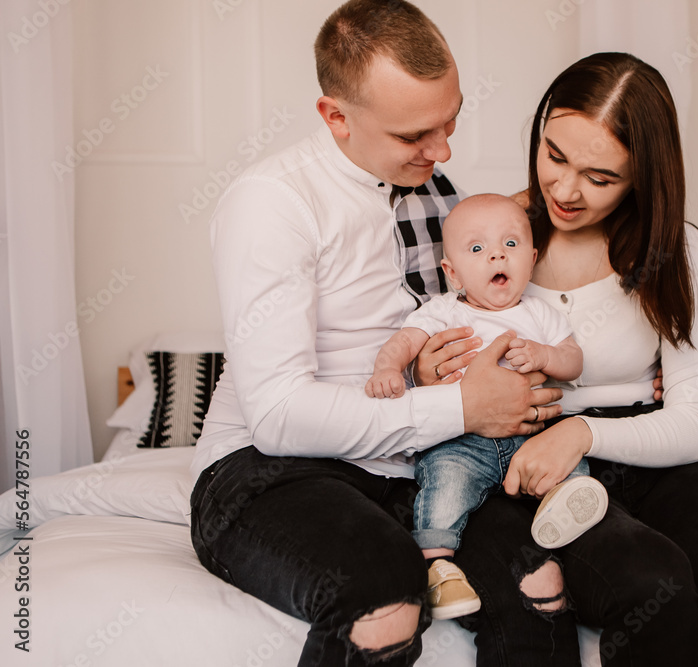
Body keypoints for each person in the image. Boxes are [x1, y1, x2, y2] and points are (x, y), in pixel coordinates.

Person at [187, 2, 584, 666]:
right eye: (414, 135)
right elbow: (280, 416)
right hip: (270, 470)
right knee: (383, 599)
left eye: (450, 122)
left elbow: (471, 313)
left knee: (540, 585)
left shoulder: (440, 192)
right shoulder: (272, 203)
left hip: (419, 462)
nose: (443, 151)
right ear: (335, 117)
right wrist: (460, 404)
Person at [416, 52, 698, 666]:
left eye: (600, 178)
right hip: (540, 460)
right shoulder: (494, 231)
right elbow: (435, 341)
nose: (566, 191)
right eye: (555, 155)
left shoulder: (675, 250)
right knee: (657, 586)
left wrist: (581, 430)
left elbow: (690, 428)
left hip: (653, 453)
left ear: (643, 176)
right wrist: (427, 370)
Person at [365, 193, 608, 620]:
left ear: (531, 259)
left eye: (511, 245)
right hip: (461, 442)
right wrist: (388, 366)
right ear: (452, 272)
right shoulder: (442, 311)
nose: (497, 253)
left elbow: (574, 361)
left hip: (532, 437)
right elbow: (405, 342)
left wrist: (544, 356)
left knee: (568, 465)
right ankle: (438, 566)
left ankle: (562, 507)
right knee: (444, 483)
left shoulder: (540, 314)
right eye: (477, 249)